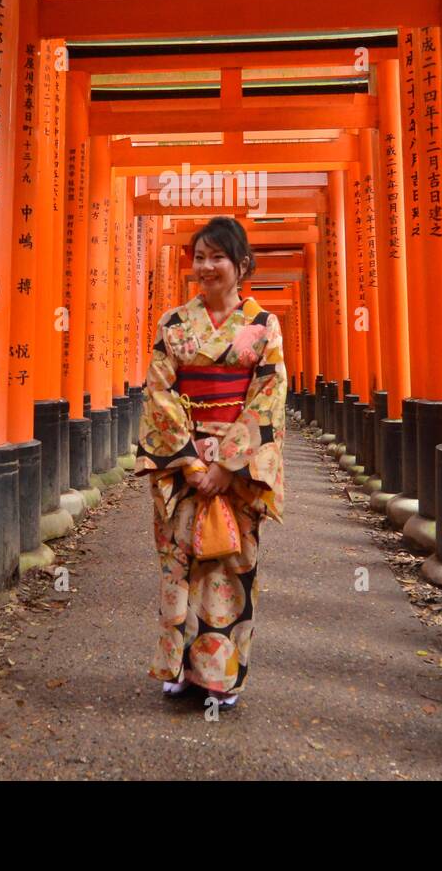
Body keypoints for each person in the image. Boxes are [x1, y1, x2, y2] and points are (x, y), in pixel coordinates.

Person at [135, 215, 286, 709]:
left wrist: (227, 464)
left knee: (230, 565)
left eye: (217, 256)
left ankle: (220, 676)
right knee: (178, 562)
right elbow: (160, 392)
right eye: (199, 257)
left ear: (242, 264)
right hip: (184, 461)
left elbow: (268, 397)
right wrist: (190, 462)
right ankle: (180, 668)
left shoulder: (263, 326)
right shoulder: (174, 324)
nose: (206, 266)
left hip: (236, 468)